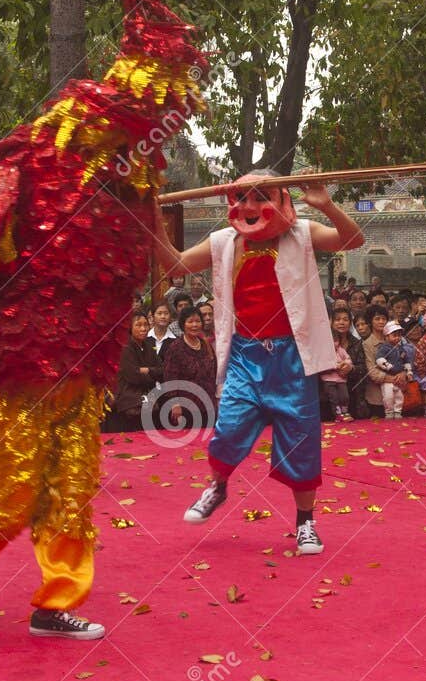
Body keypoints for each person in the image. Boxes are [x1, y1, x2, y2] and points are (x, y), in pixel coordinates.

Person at [156, 173, 364, 556]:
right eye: (241, 198)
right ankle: (217, 487)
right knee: (228, 430)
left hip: (293, 358)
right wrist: (150, 217)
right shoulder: (222, 242)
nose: (249, 207)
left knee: (302, 441)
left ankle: (306, 524)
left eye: (260, 198)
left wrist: (326, 205)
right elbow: (176, 264)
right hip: (244, 355)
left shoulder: (302, 234)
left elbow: (353, 241)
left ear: (282, 201)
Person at [160, 307, 217, 429]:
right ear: (182, 324)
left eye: (197, 321)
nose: (194, 325)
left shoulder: (206, 345)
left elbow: (214, 373)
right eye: (190, 322)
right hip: (185, 407)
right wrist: (175, 403)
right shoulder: (176, 348)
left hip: (208, 405)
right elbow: (170, 377)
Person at [108, 311, 161, 433]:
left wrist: (147, 370)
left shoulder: (149, 345)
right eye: (138, 325)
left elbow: (161, 370)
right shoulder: (125, 347)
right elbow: (133, 376)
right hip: (130, 399)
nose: (143, 328)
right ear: (130, 328)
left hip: (148, 397)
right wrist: (152, 374)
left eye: (145, 325)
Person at [375, 320, 416, 418]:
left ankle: (398, 411)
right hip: (388, 378)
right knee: (388, 396)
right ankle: (389, 412)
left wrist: (409, 372)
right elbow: (379, 359)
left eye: (399, 335)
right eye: (394, 335)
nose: (397, 337)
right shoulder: (384, 348)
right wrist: (390, 367)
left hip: (400, 378)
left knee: (399, 396)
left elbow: (406, 362)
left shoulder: (401, 348)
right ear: (387, 336)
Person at [320, 310, 356, 421]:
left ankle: (345, 412)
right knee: (333, 398)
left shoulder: (351, 344)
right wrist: (335, 366)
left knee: (344, 397)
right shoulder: (322, 347)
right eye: (338, 319)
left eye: (345, 319)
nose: (342, 322)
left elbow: (350, 360)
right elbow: (320, 364)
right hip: (326, 383)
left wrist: (349, 367)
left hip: (343, 382)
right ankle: (337, 414)